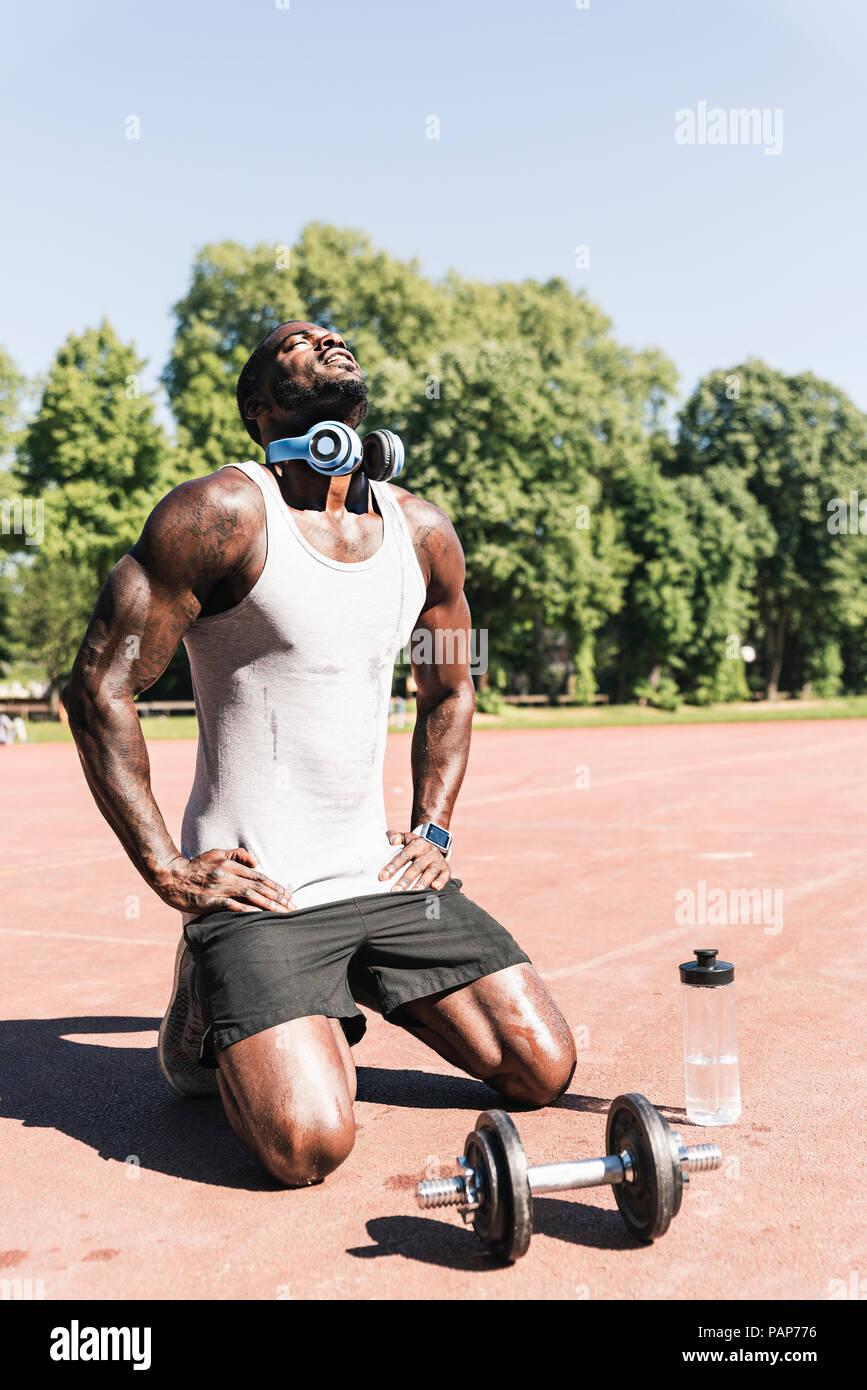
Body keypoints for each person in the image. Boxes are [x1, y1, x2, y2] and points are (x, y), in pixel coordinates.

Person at [63, 321, 576, 1187]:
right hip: (260, 886)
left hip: (376, 873)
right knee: (308, 1148)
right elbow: (96, 688)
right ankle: (209, 1004)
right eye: (295, 342)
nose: (324, 337)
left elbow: (448, 688)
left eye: (331, 335)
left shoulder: (422, 532)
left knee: (540, 1068)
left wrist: (434, 832)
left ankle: (330, 990)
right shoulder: (220, 513)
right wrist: (168, 870)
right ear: (261, 408)